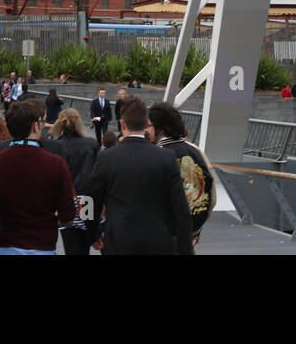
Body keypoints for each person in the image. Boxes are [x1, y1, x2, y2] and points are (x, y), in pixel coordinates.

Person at [88, 96, 192, 255]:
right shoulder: (167, 158)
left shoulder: (106, 158)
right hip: (157, 243)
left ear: (122, 124)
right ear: (145, 124)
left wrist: (93, 233)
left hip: (119, 242)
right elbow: (181, 210)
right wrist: (186, 249)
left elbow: (91, 201)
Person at [0, 99, 78, 255]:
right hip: (42, 245)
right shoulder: (56, 164)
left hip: (3, 245)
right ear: (35, 126)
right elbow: (68, 214)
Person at [147, 102, 216, 245]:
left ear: (160, 128)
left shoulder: (154, 154)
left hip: (162, 237)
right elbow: (211, 197)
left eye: (148, 126)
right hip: (191, 233)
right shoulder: (196, 151)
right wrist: (196, 231)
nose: (145, 130)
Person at [43, 108, 100, 255]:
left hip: (67, 199)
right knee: (84, 246)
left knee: (70, 245)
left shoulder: (57, 146)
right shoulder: (91, 144)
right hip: (87, 199)